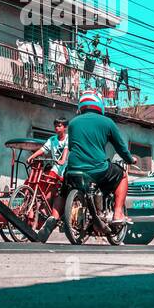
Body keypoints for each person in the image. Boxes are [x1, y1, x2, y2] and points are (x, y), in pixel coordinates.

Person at [63, 90, 137, 227]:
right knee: (122, 176)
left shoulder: (72, 123)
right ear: (99, 104)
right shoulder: (107, 123)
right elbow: (120, 147)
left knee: (63, 188)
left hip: (73, 169)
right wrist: (130, 159)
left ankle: (55, 216)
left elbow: (72, 146)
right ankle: (118, 213)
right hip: (97, 168)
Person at [28, 117, 69, 183]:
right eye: (55, 126)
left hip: (66, 167)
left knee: (51, 178)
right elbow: (43, 149)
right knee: (40, 178)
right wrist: (32, 156)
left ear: (65, 127)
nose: (56, 128)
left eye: (59, 126)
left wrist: (63, 160)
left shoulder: (68, 138)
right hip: (56, 167)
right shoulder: (52, 139)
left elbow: (66, 149)